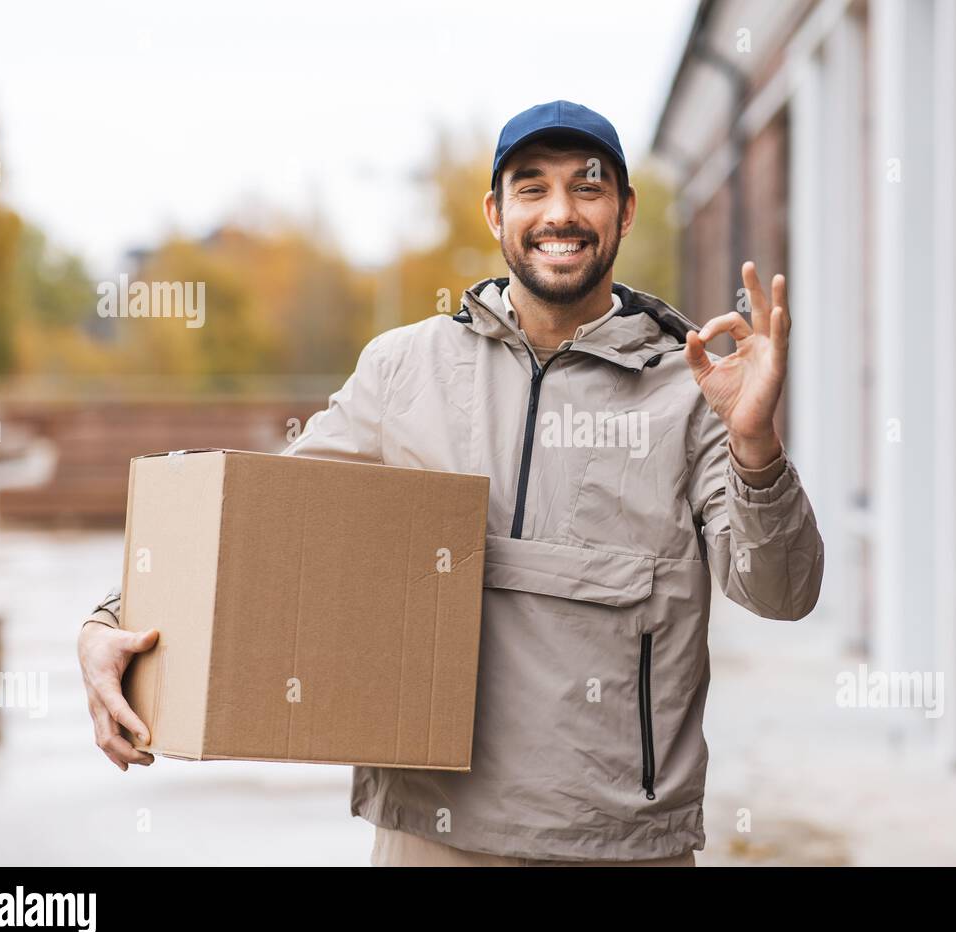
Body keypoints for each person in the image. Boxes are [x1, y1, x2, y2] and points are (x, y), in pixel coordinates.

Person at [77, 100, 826, 866]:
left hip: (623, 845)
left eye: (588, 187)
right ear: (495, 212)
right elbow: (262, 527)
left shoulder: (689, 390)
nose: (559, 212)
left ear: (626, 211)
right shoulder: (404, 369)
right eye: (532, 188)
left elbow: (781, 592)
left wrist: (756, 442)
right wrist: (110, 622)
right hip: (430, 833)